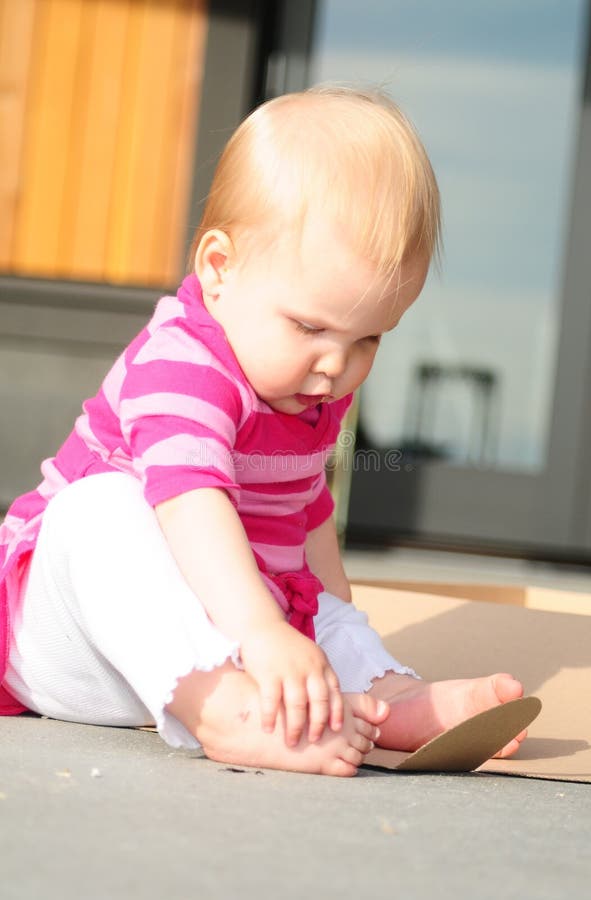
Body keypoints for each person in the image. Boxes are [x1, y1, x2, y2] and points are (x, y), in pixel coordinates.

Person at [0, 86, 527, 776]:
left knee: (316, 604)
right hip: (72, 642)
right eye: (310, 327)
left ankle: (388, 700)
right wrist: (260, 631)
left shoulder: (311, 387)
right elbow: (191, 505)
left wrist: (340, 638)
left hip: (212, 635)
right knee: (99, 510)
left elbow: (309, 520)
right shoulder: (183, 364)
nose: (337, 365)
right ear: (219, 270)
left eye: (370, 338)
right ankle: (225, 712)